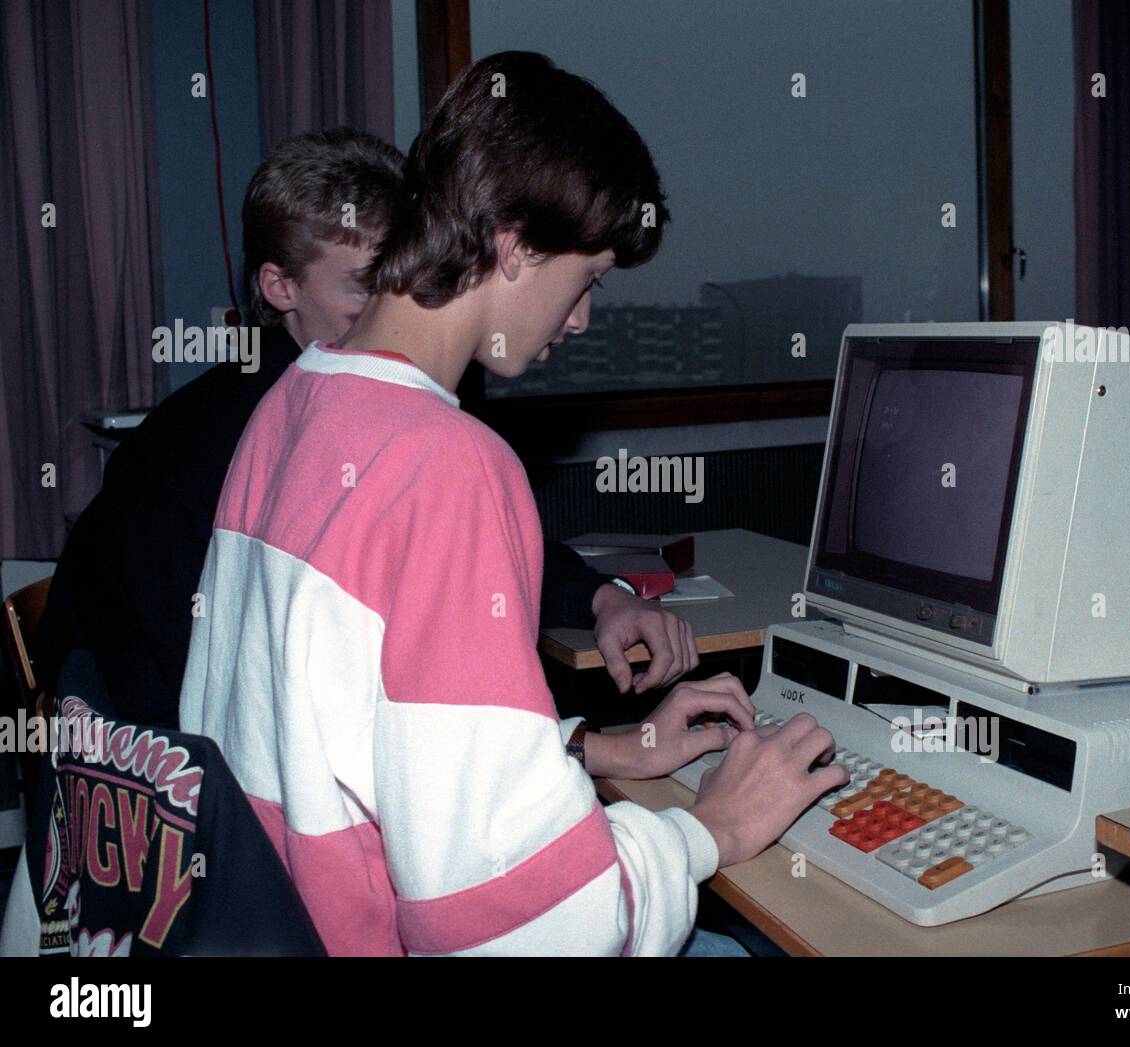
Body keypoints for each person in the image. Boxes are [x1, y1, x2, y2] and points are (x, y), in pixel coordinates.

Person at [179, 51, 847, 956]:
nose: (578, 321)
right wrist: (713, 829)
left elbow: (357, 743)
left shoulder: (288, 407)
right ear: (515, 244)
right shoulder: (449, 464)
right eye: (589, 280)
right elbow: (524, 931)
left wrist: (590, 747)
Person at [35, 127, 694, 732]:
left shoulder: (348, 404)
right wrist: (590, 753)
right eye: (364, 287)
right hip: (150, 805)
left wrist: (604, 598)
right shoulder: (217, 447)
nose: (393, 307)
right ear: (279, 286)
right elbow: (257, 726)